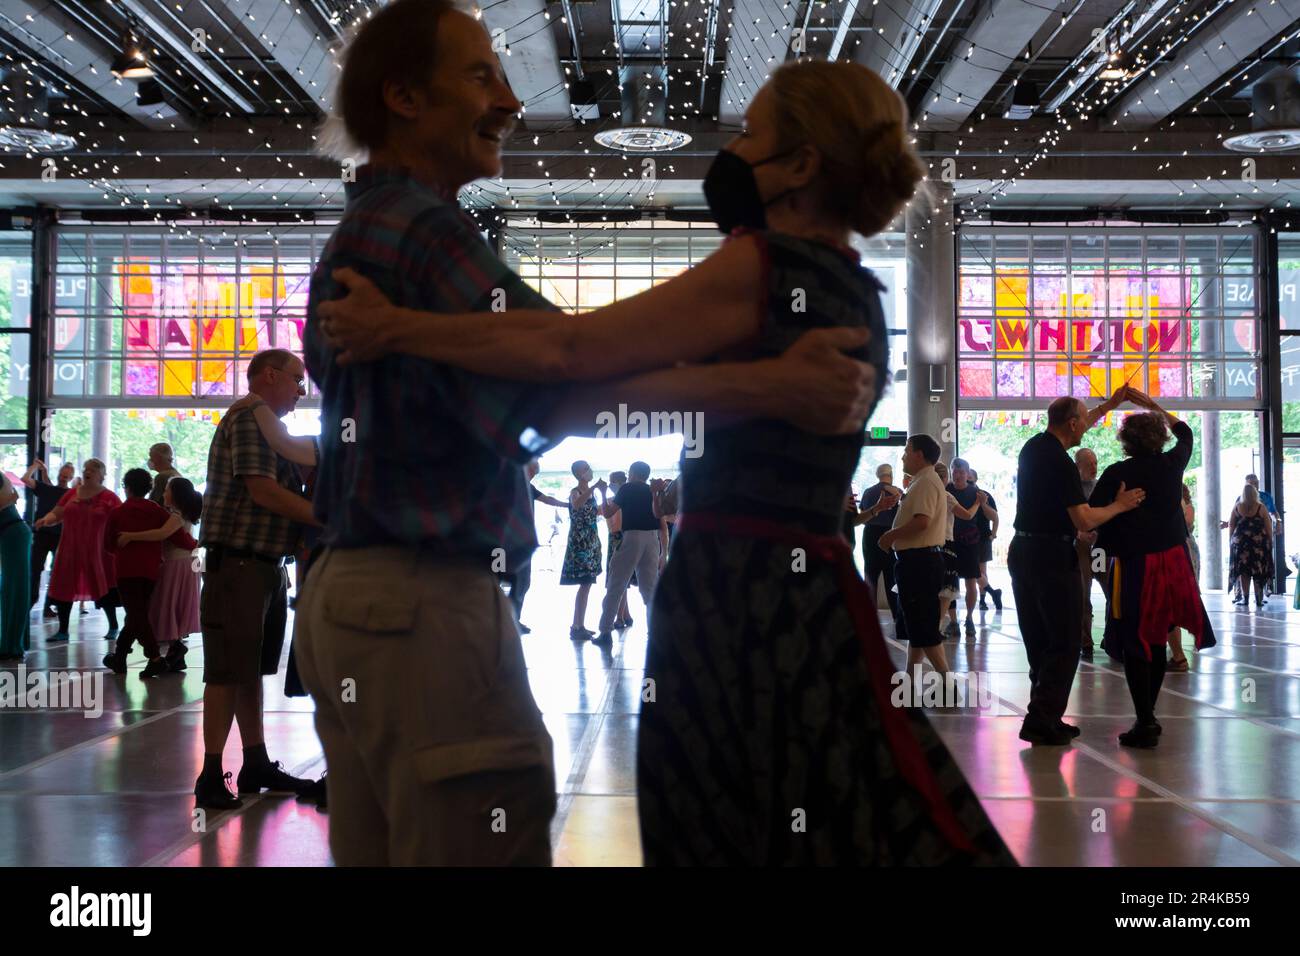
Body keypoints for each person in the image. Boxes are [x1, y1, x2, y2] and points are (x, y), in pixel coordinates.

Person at [316, 49, 1009, 864]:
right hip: (809, 588)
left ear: (798, 165)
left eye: (752, 134)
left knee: (715, 815)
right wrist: (755, 385)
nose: (734, 152)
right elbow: (636, 379)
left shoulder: (765, 264)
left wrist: (398, 329)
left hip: (733, 590)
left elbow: (574, 350)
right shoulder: (855, 286)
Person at [193, 349, 317, 810]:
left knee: (249, 671)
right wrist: (329, 517)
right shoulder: (249, 418)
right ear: (270, 375)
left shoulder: (270, 425)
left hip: (263, 565)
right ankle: (209, 775)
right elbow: (263, 491)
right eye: (297, 380)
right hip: (239, 564)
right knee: (227, 671)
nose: (301, 392)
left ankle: (255, 760)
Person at [1009, 388, 1145, 746]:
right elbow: (1084, 519)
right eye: (1084, 421)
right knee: (1066, 640)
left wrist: (1110, 405)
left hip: (1023, 552)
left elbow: (1079, 419)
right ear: (1072, 423)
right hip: (1052, 557)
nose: (1087, 425)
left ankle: (1046, 714)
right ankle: (1041, 720)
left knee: (1039, 638)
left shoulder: (1035, 447)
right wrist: (1121, 504)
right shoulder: (1062, 464)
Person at [1090, 391, 1215, 747]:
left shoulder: (1117, 473)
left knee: (1134, 640)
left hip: (1135, 564)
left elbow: (1093, 515)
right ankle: (1148, 716)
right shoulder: (1173, 464)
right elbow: (1187, 433)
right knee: (1159, 635)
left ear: (1126, 441)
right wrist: (1155, 407)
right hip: (1173, 560)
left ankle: (1145, 719)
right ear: (1160, 437)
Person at [103, 468, 198, 679]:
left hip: (128, 570)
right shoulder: (158, 512)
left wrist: (129, 538)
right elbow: (181, 539)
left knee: (139, 614)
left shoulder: (118, 512)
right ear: (149, 488)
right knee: (139, 613)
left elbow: (109, 544)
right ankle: (121, 656)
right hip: (151, 570)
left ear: (126, 488)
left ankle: (155, 657)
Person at [878, 436, 948, 674]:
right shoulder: (921, 481)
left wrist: (890, 536)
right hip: (917, 562)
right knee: (916, 625)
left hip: (920, 563)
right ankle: (910, 678)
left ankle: (947, 682)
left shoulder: (926, 482)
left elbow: (922, 522)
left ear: (919, 455)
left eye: (907, 451)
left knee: (924, 627)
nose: (903, 456)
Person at [33, 458, 122, 642]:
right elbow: (57, 513)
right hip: (70, 548)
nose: (87, 472)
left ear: (101, 475)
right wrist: (46, 520)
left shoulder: (110, 498)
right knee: (64, 587)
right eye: (85, 469)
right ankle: (63, 630)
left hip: (97, 551)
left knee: (102, 588)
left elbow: (121, 522)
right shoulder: (72, 494)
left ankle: (113, 625)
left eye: (92, 470)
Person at [140, 476, 204, 672]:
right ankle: (175, 649)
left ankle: (173, 649)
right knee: (173, 605)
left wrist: (131, 536)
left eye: (167, 489)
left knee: (166, 604)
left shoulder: (176, 516)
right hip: (185, 562)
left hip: (177, 563)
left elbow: (161, 535)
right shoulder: (180, 514)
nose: (164, 492)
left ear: (175, 494)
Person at [596, 461, 661, 643]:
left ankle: (605, 632)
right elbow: (659, 513)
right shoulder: (651, 490)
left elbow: (608, 513)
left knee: (616, 585)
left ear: (632, 473)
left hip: (632, 537)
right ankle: (654, 633)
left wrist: (602, 493)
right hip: (652, 538)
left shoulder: (626, 489)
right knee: (650, 589)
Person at [511, 458, 565, 632]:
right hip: (506, 543)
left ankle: (512, 620)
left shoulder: (528, 487)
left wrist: (568, 505)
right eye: (532, 471)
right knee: (507, 580)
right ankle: (504, 621)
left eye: (535, 473)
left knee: (522, 581)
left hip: (519, 543)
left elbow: (547, 499)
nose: (533, 475)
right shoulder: (511, 485)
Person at [22, 459, 75, 617]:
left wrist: (43, 471)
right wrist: (36, 467)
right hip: (42, 535)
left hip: (59, 536)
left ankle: (48, 604)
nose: (62, 478)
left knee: (55, 572)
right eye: (61, 475)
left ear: (70, 478)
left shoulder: (70, 494)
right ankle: (31, 601)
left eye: (66, 477)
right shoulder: (48, 489)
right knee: (35, 569)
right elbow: (26, 479)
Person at [562, 461, 606, 641]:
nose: (589, 471)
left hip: (591, 542)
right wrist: (594, 487)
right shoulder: (575, 492)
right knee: (584, 584)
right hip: (580, 544)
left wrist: (603, 494)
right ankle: (576, 625)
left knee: (587, 585)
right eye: (586, 468)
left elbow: (600, 512)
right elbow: (577, 505)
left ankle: (579, 624)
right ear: (579, 473)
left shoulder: (592, 493)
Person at [946, 458, 985, 634]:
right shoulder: (945, 490)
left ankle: (969, 618)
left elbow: (988, 517)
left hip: (970, 542)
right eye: (955, 471)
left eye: (961, 472)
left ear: (967, 473)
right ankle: (953, 621)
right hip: (949, 541)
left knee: (971, 582)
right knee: (949, 582)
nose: (958, 475)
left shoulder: (976, 492)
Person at [1074, 447, 1105, 659]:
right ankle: (1085, 641)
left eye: (1095, 463)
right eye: (1089, 464)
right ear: (1078, 466)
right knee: (1083, 593)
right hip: (1080, 546)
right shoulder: (1071, 489)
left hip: (1100, 546)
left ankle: (1111, 636)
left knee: (1111, 589)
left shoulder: (1100, 487)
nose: (1094, 467)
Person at [859, 463, 902, 613]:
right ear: (891, 475)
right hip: (890, 535)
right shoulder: (898, 493)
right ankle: (897, 619)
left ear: (878, 475)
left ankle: (868, 617)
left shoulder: (868, 492)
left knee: (870, 576)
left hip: (870, 534)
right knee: (892, 577)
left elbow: (862, 515)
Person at [1168, 482, 1199, 672]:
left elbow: (1186, 524)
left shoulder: (1187, 507)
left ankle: (1180, 653)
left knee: (1186, 595)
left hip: (1185, 548)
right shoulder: (1182, 505)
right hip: (1182, 547)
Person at [0, 472, 31, 661]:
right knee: (10, 589)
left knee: (14, 589)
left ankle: (12, 645)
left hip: (14, 533)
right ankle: (12, 643)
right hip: (10, 533)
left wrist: (10, 499)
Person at [1229, 482, 1275, 609]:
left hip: (1241, 545)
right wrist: (1270, 541)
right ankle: (1259, 599)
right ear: (1255, 493)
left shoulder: (1237, 507)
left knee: (1244, 572)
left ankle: (1245, 598)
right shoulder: (1261, 507)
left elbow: (1231, 524)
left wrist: (1231, 540)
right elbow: (1268, 525)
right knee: (1258, 571)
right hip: (1258, 545)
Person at [603, 470, 634, 630]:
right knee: (622, 579)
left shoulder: (619, 500)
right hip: (615, 537)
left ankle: (620, 616)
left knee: (618, 579)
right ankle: (625, 613)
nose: (610, 485)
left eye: (612, 482)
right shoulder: (612, 500)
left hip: (619, 537)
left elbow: (615, 524)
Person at [967, 468, 1002, 612]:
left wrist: (993, 534)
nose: (968, 481)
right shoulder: (960, 494)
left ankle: (983, 600)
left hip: (982, 537)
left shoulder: (985, 495)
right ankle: (993, 593)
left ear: (976, 480)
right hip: (967, 538)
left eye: (970, 479)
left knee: (980, 571)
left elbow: (995, 517)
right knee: (975, 572)